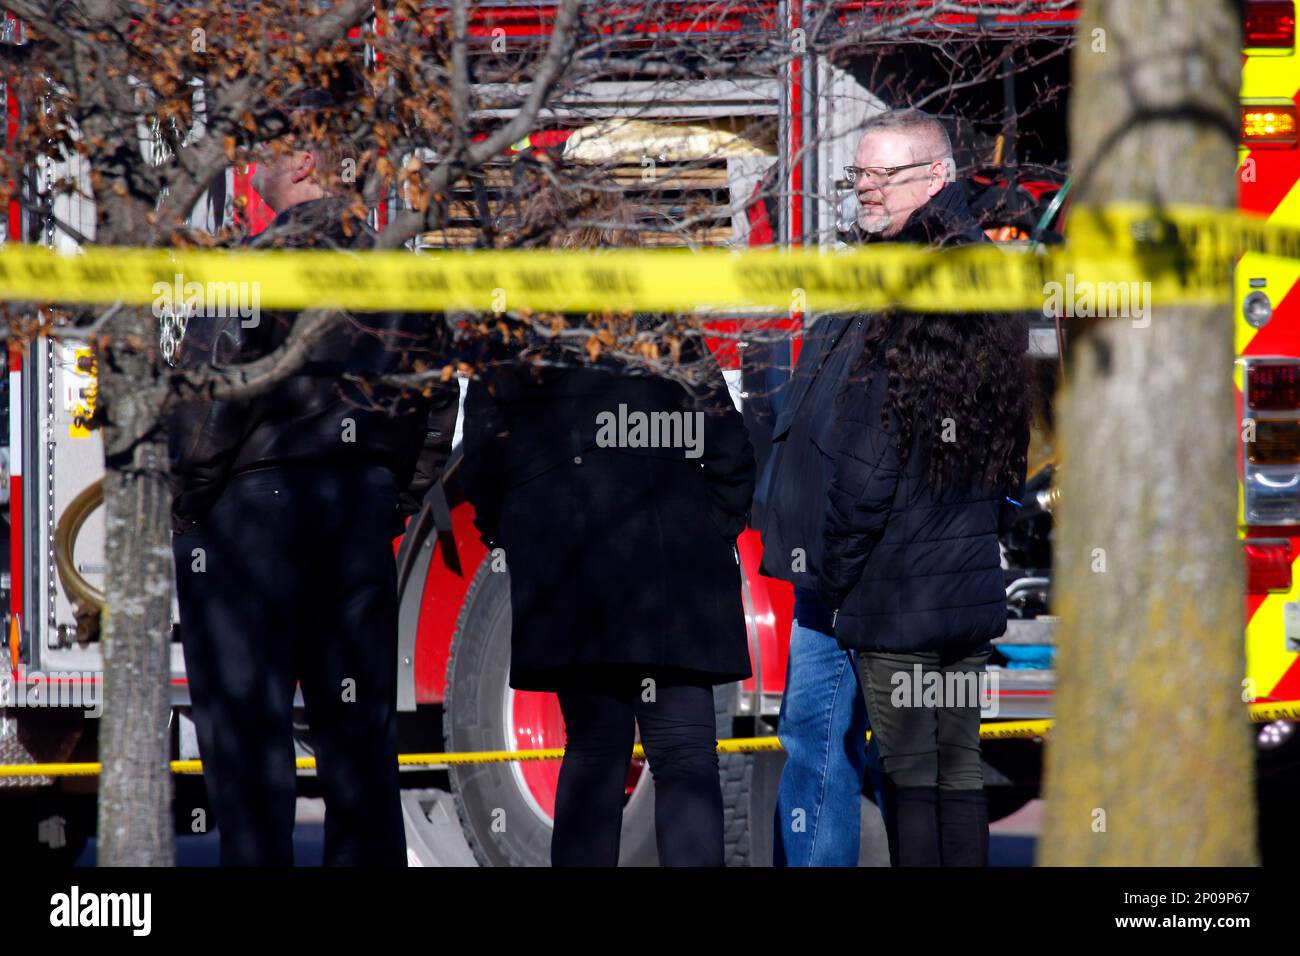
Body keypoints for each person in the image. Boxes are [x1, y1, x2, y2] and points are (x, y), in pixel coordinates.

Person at [168, 100, 457, 866]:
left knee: (251, 747)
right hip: (354, 517)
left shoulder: (250, 269)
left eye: (266, 147)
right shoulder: (404, 275)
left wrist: (189, 505)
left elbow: (206, 405)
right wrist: (387, 495)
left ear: (302, 163)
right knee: (359, 749)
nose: (250, 161)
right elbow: (440, 400)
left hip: (249, 521)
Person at [460, 188, 756, 867]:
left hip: (571, 578)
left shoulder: (509, 341)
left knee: (593, 751)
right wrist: (706, 530)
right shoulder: (664, 327)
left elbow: (480, 465)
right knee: (684, 754)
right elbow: (730, 450)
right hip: (672, 576)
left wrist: (524, 536)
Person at [752, 107, 987, 866]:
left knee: (850, 760)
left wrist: (834, 559)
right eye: (860, 174)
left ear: (937, 177)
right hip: (882, 574)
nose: (867, 190)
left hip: (863, 579)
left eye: (886, 175)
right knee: (926, 773)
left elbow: (874, 451)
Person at [818, 258, 1030, 868]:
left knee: (911, 777)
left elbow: (859, 497)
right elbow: (1010, 490)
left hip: (897, 610)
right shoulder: (995, 384)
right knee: (962, 771)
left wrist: (835, 583)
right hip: (966, 614)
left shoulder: (885, 382)